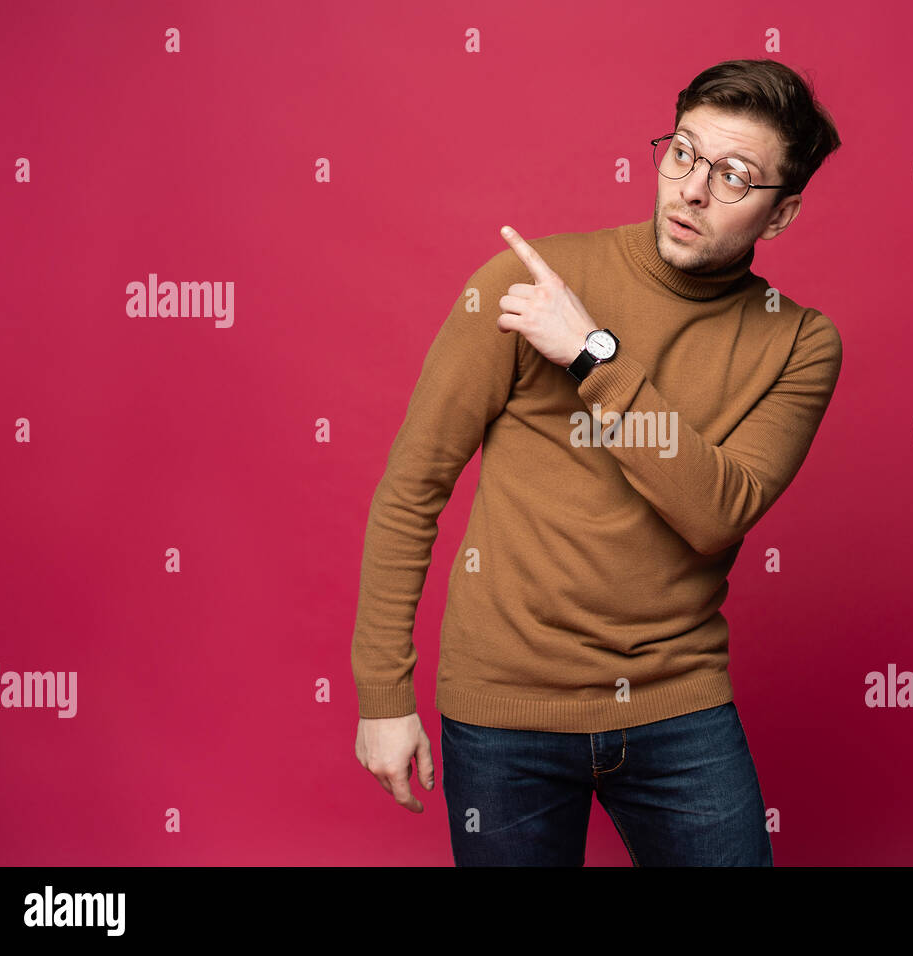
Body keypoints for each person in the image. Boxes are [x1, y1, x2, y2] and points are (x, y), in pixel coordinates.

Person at [351, 58, 843, 866]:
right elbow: (412, 488)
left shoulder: (799, 343)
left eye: (734, 177)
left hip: (678, 705)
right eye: (682, 153)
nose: (691, 189)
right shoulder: (528, 282)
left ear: (781, 214)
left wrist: (592, 355)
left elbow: (714, 513)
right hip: (504, 711)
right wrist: (383, 695)